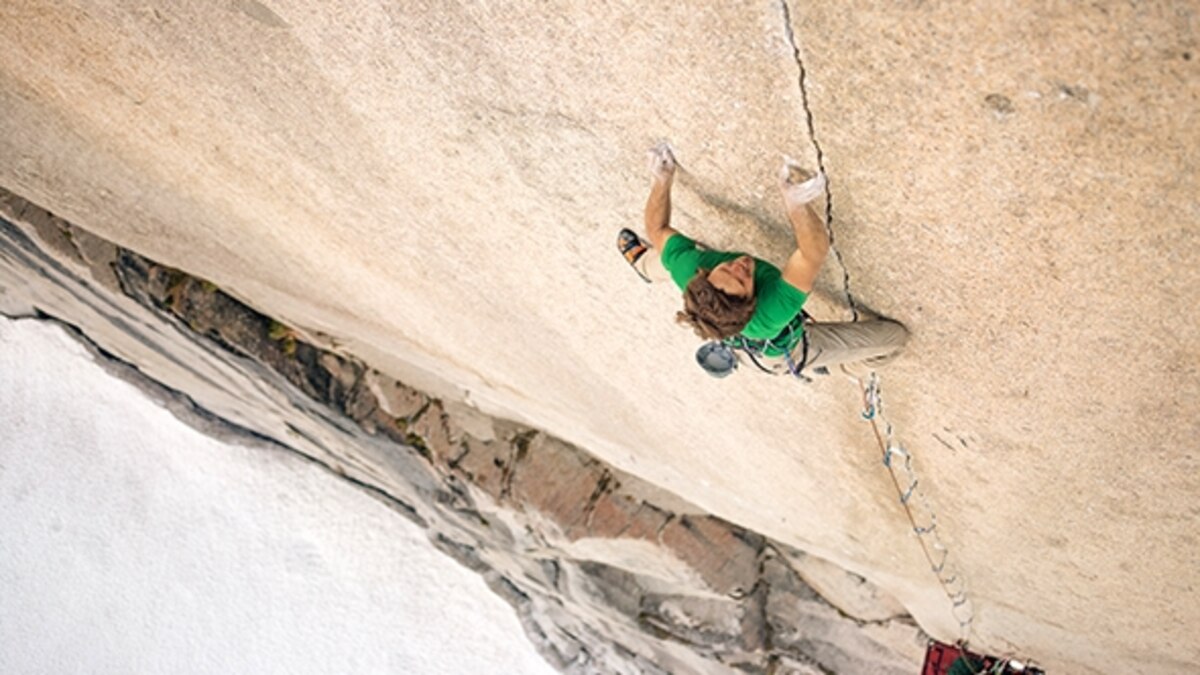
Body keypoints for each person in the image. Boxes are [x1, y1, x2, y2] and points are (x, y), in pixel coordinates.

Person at [619, 143, 907, 379]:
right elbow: (812, 253)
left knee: (670, 257)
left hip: (729, 326)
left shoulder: (691, 270)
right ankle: (845, 366)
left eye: (725, 269)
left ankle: (645, 265)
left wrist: (661, 179)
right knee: (894, 339)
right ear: (751, 301)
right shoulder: (772, 310)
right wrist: (796, 204)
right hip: (781, 353)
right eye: (742, 280)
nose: (739, 265)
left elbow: (657, 230)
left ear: (704, 275)